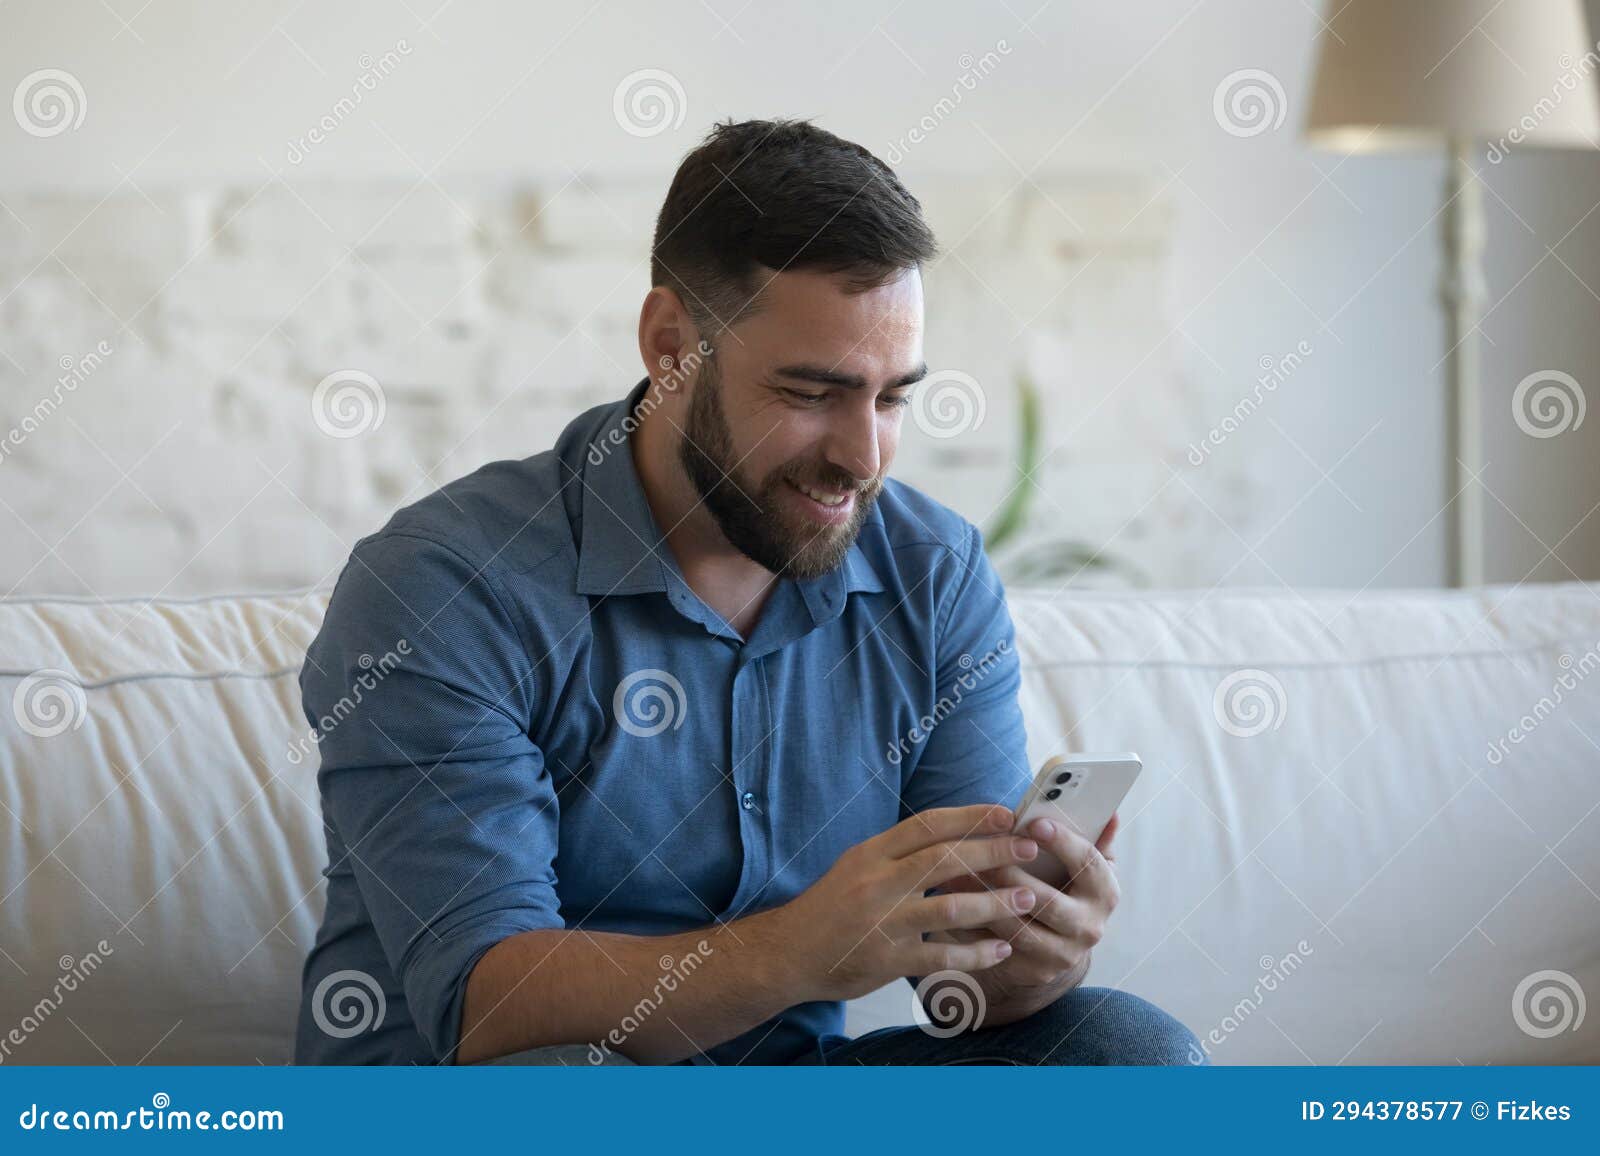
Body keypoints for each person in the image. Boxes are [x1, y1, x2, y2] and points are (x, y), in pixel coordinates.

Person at [293, 117, 1201, 1067]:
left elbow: (960, 983)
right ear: (670, 345)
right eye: (812, 394)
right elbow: (486, 1003)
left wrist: (1034, 950)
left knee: (1126, 1053)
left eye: (891, 399)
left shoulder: (931, 575)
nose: (862, 457)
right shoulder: (445, 586)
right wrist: (803, 947)